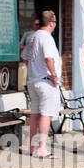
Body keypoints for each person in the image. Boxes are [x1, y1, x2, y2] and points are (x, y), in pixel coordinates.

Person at [26, 9, 61, 158]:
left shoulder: (33, 36)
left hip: (33, 80)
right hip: (45, 81)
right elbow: (49, 58)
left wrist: (34, 69)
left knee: (34, 114)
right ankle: (42, 148)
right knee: (46, 115)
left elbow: (25, 58)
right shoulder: (46, 37)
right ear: (52, 22)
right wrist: (54, 75)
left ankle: (32, 147)